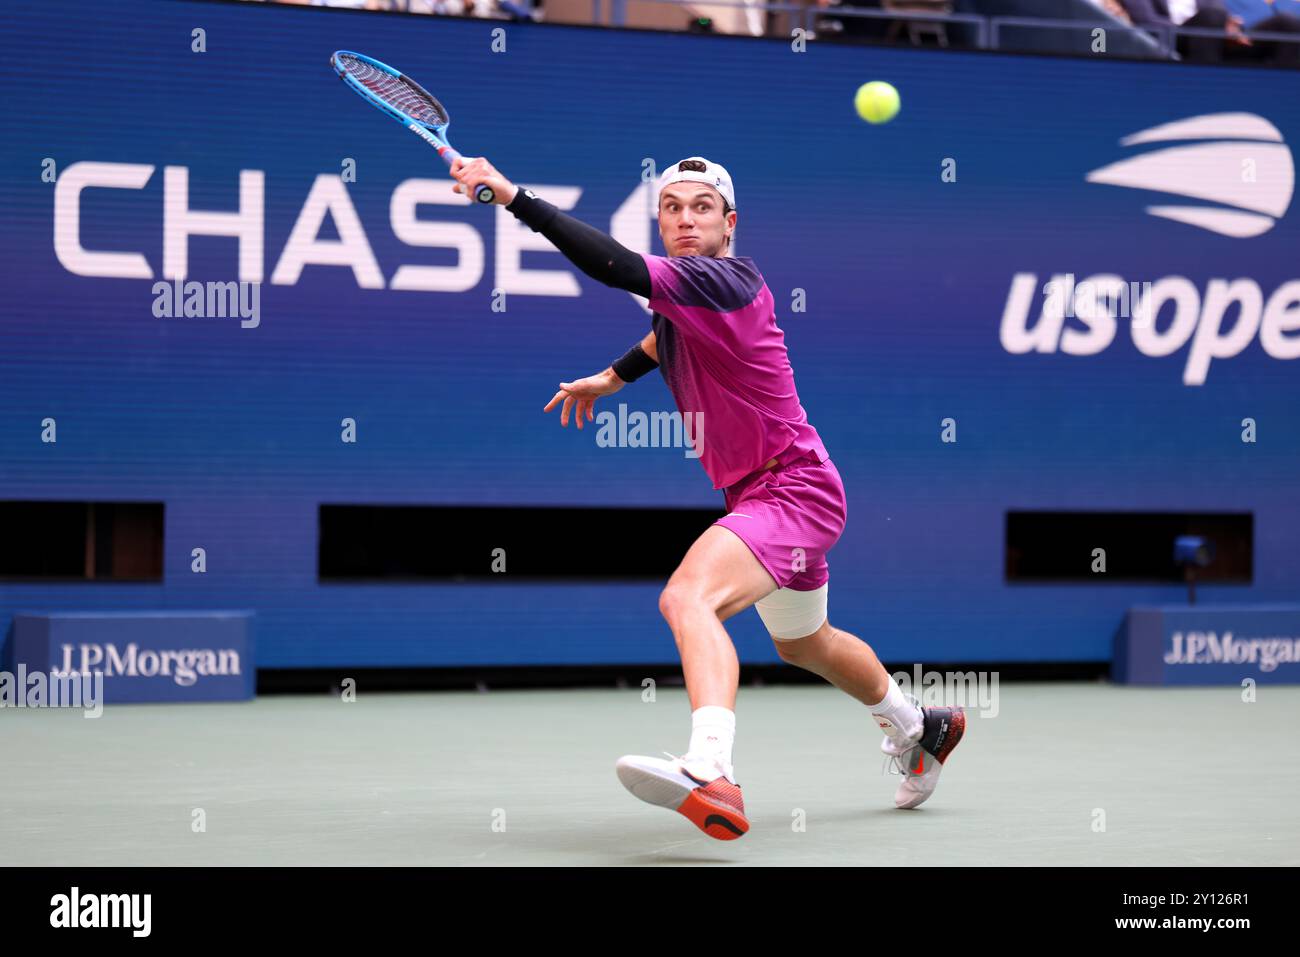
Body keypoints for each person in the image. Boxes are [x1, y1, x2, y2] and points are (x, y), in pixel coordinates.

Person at [449, 154, 966, 841]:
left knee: (686, 598)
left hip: (791, 488)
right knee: (805, 642)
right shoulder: (692, 297)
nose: (685, 219)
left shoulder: (728, 277)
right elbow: (662, 337)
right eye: (671, 208)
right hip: (779, 488)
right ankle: (919, 725)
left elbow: (616, 268)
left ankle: (711, 770)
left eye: (700, 207)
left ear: (729, 223)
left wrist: (514, 198)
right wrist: (609, 378)